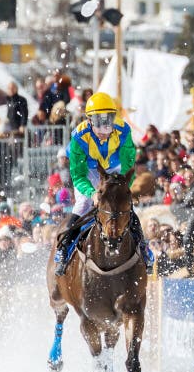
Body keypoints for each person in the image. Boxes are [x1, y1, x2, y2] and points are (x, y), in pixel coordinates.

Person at [53, 92, 153, 276]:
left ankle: (144, 248)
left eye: (108, 121)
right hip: (89, 171)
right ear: (89, 120)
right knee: (82, 204)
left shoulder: (123, 130)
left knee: (124, 206)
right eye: (99, 122)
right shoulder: (79, 137)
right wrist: (92, 193)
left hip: (115, 169)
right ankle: (63, 251)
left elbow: (129, 164)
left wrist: (122, 187)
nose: (104, 128)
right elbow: (78, 175)